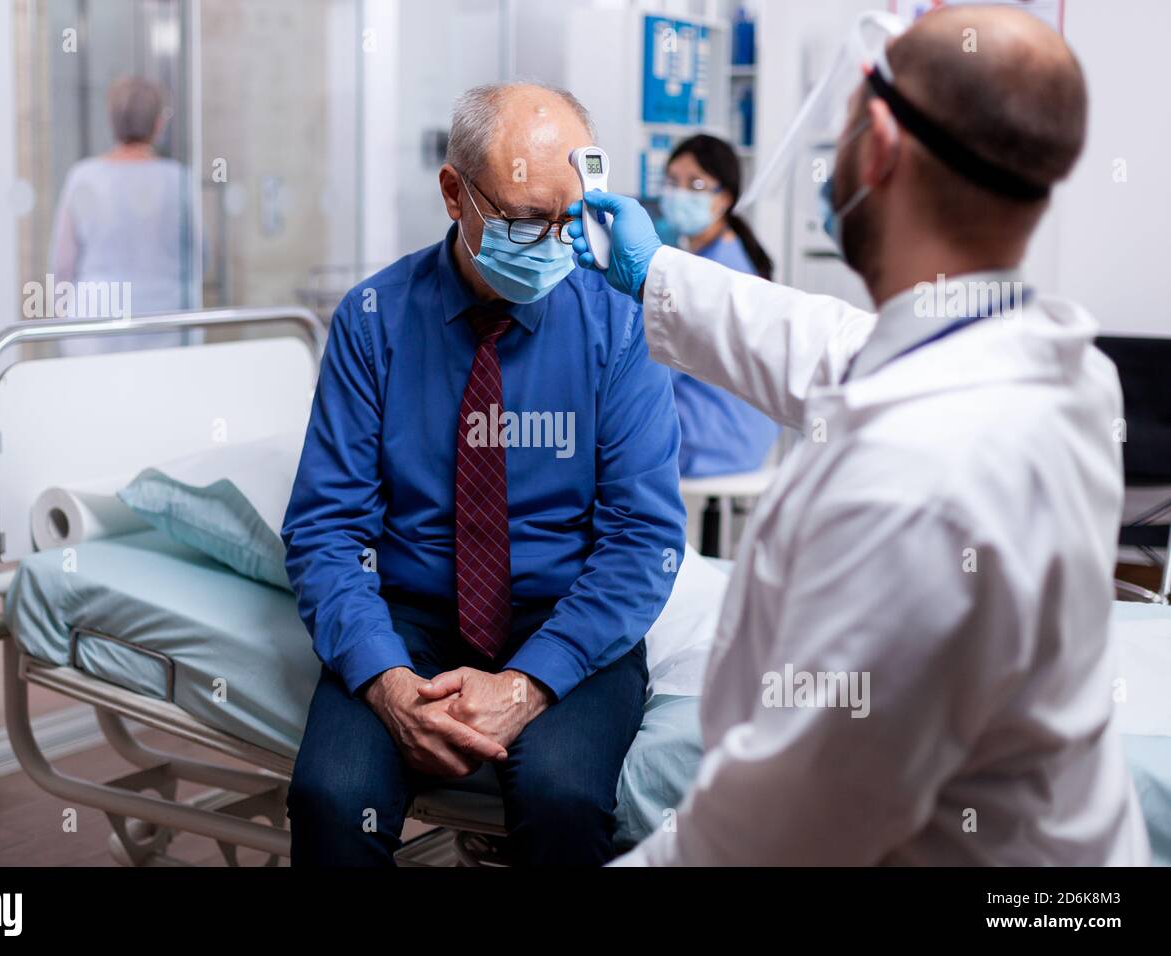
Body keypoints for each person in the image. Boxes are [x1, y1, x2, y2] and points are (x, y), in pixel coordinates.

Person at [568, 5, 1149, 865]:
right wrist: (658, 274)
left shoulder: (910, 484)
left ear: (877, 143)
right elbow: (832, 349)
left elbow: (765, 835)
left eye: (838, 126)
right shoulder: (1048, 360)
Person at [281, 82, 685, 866]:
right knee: (330, 799)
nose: (552, 245)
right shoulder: (374, 322)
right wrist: (389, 681)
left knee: (562, 798)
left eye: (568, 221)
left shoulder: (616, 325)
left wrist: (530, 683)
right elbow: (327, 530)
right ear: (452, 193)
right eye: (524, 220)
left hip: (566, 615)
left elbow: (643, 540)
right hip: (409, 618)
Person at [660, 134, 779, 477]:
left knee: (608, 429)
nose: (679, 193)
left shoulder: (714, 269)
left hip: (716, 432)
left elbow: (663, 364)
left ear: (723, 198)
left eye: (695, 184)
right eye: (672, 182)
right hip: (747, 431)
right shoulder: (724, 252)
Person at [47, 75, 189, 349]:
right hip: (164, 325)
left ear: (111, 121)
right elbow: (198, 257)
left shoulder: (83, 177)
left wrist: (62, 320)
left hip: (94, 325)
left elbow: (62, 265)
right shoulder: (178, 179)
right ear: (159, 123)